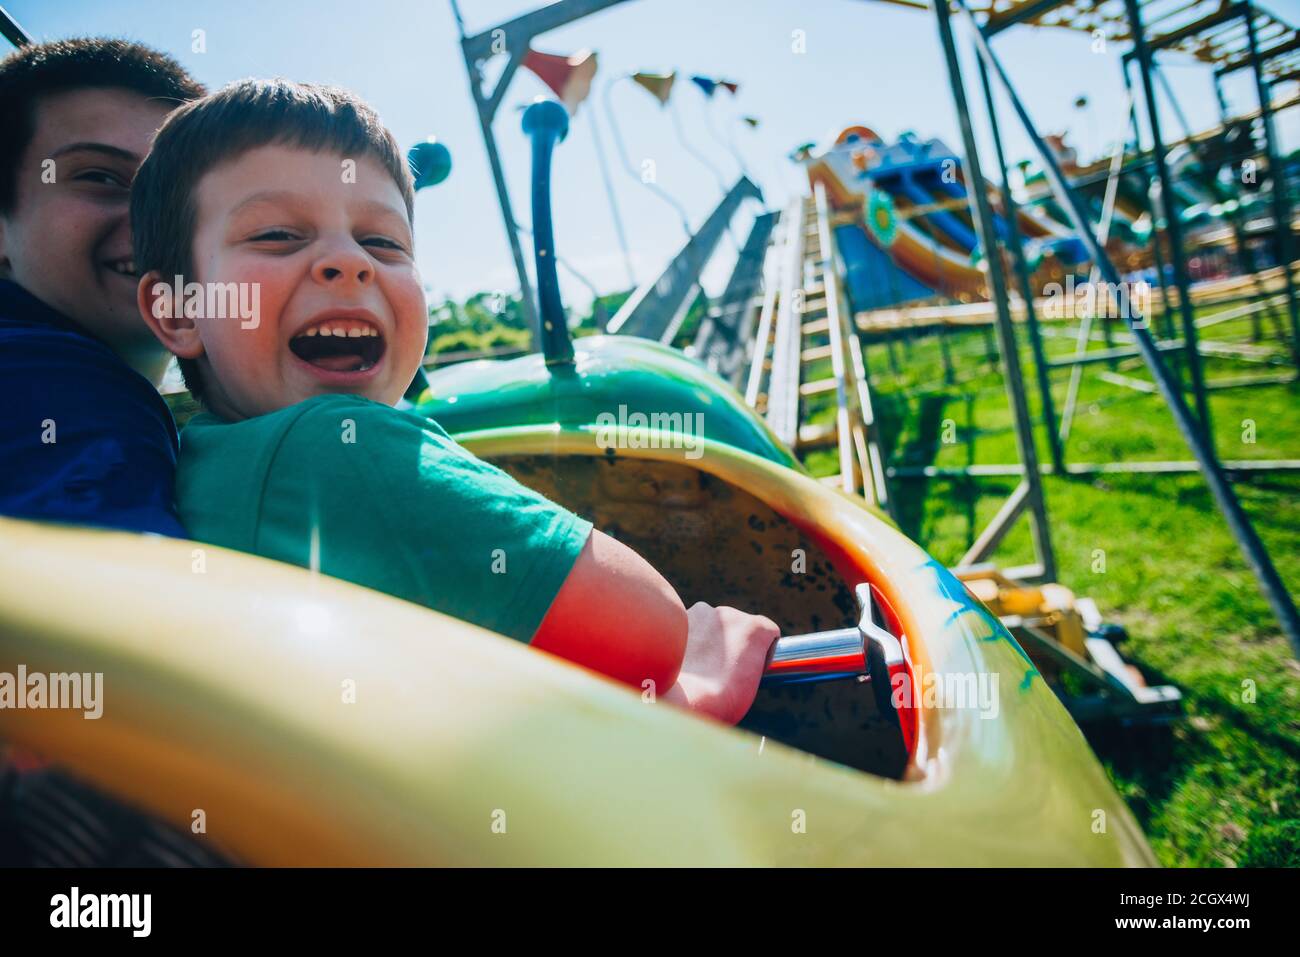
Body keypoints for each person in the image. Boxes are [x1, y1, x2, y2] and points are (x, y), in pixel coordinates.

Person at [132, 78, 781, 725]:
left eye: (382, 242)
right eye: (277, 234)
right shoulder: (337, 447)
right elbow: (648, 635)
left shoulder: (197, 467)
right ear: (177, 309)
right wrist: (692, 675)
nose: (347, 262)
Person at [0, 37, 229, 866]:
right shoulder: (58, 378)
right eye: (98, 177)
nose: (146, 220)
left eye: (174, 193)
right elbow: (136, 645)